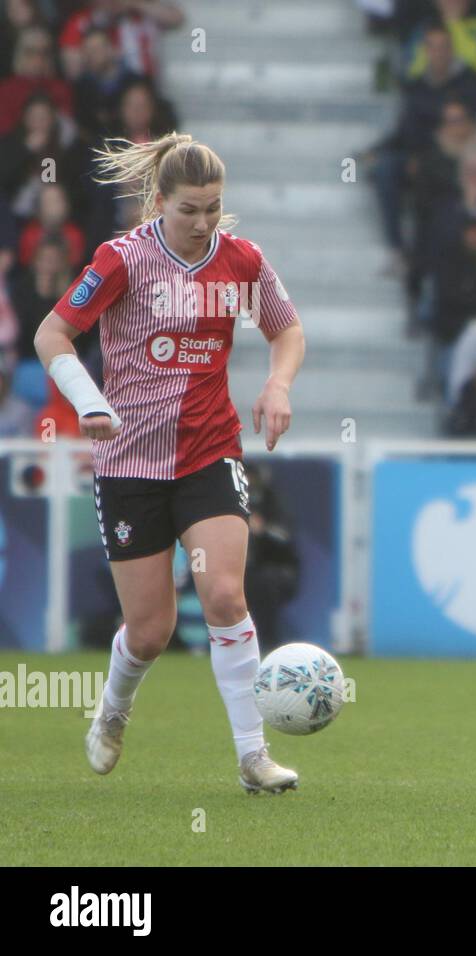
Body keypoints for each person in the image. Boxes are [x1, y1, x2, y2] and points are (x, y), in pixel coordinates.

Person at [32, 132, 307, 793]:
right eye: (189, 209)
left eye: (213, 207)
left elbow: (287, 329)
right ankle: (112, 711)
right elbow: (52, 333)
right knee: (150, 630)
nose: (203, 222)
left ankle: (252, 757)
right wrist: (88, 400)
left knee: (223, 594)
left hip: (208, 452)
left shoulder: (242, 261)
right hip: (129, 461)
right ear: (160, 201)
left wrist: (277, 384)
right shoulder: (121, 258)